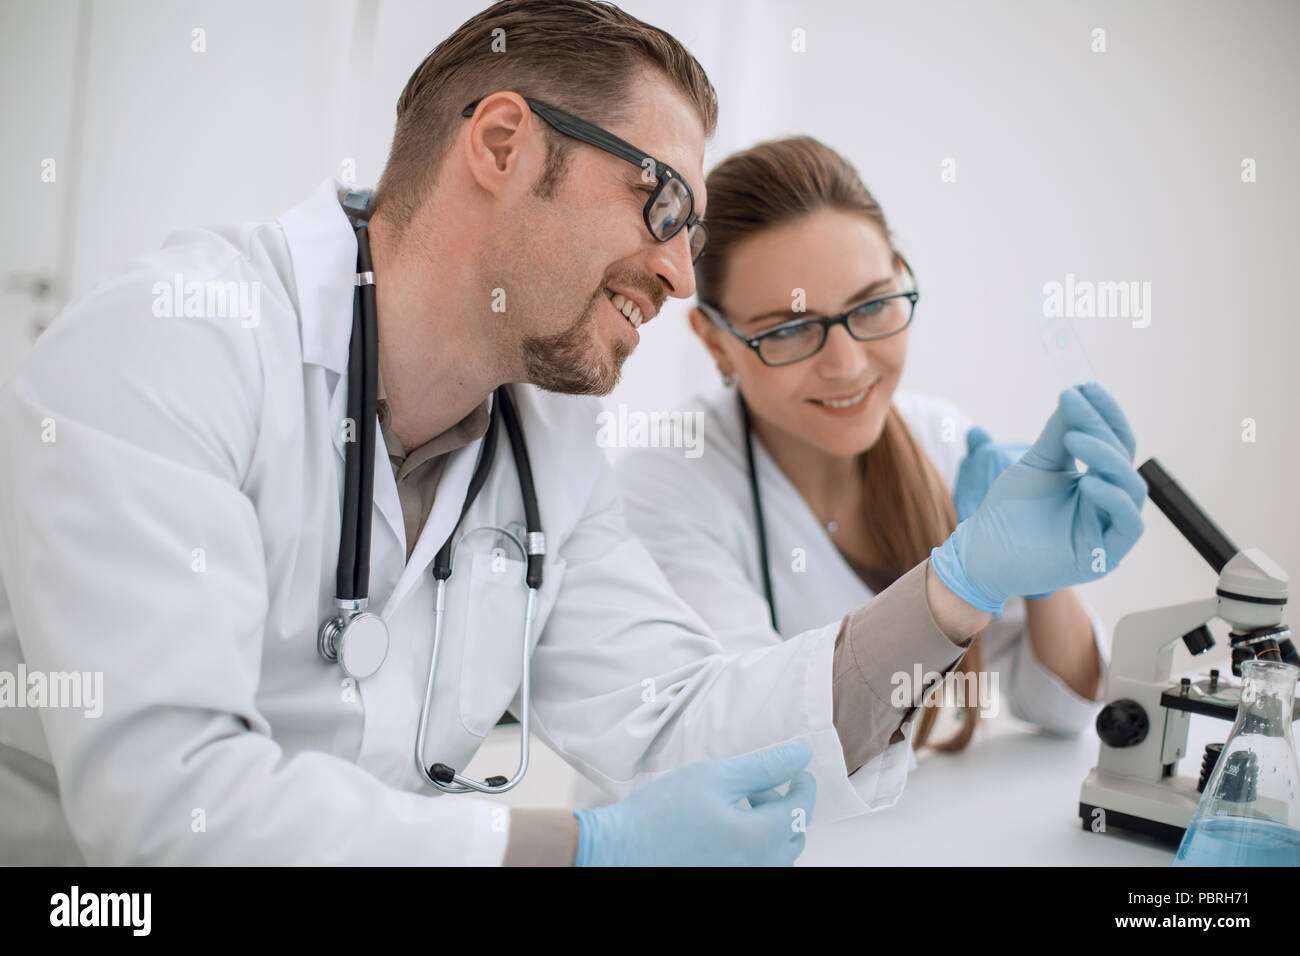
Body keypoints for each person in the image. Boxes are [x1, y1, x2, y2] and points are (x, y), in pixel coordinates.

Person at [0, 0, 1145, 866]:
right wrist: (572, 849)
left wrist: (954, 586)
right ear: (501, 145)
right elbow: (165, 805)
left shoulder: (543, 438)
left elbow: (680, 717)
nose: (679, 273)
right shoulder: (176, 343)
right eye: (662, 208)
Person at [611, 136, 1113, 780]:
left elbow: (1065, 707)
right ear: (716, 341)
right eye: (789, 328)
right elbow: (760, 745)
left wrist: (1047, 573)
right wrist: (958, 589)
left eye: (872, 306)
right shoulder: (670, 486)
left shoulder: (947, 442)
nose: (847, 367)